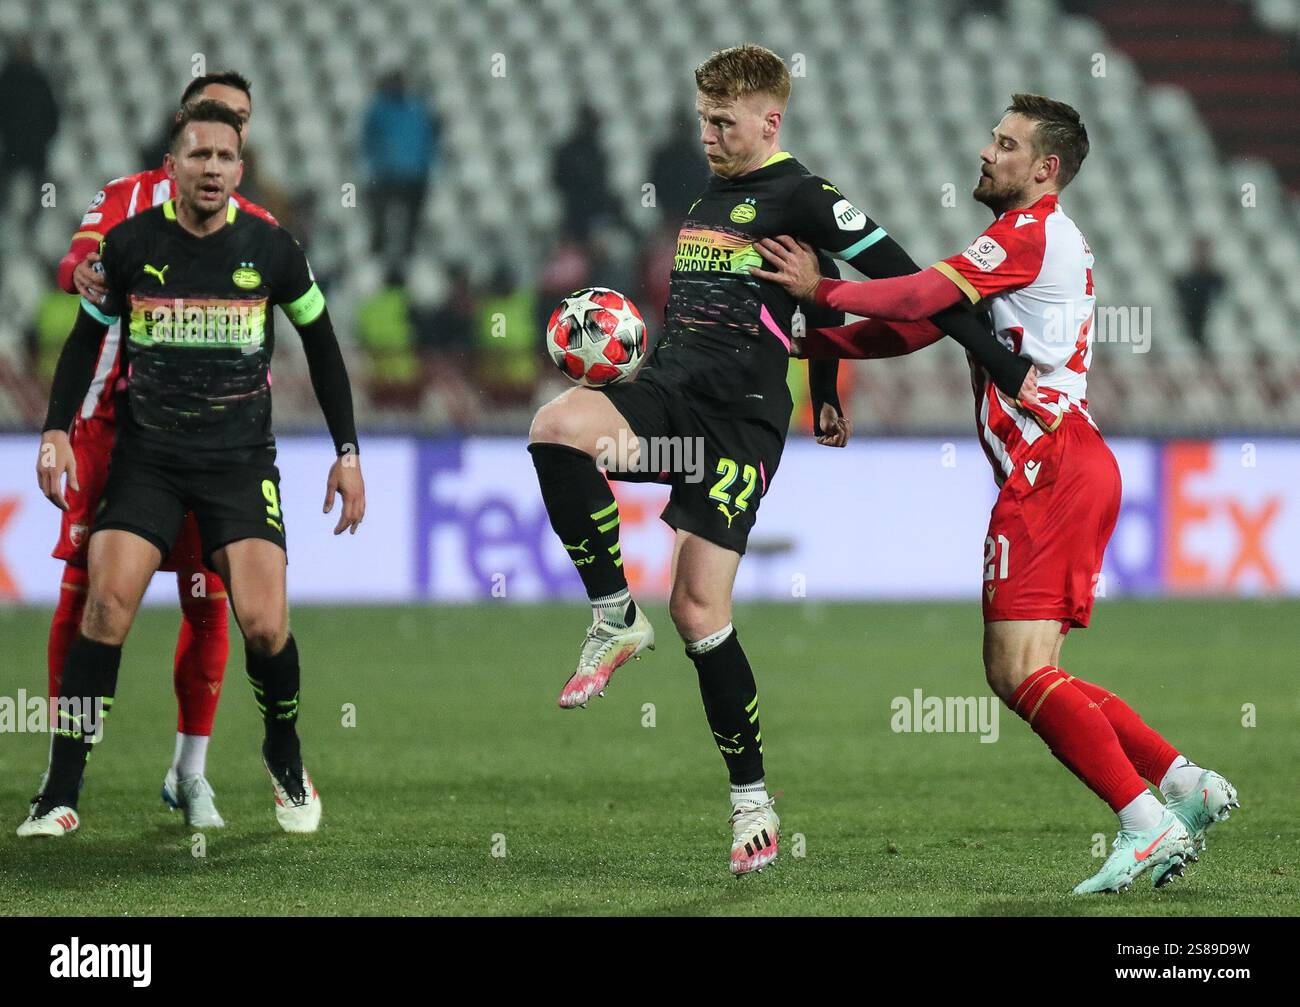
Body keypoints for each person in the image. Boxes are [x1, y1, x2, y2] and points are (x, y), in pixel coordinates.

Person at [527, 45, 1034, 875]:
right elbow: (804, 292)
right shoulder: (708, 199)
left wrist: (1000, 365)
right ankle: (615, 613)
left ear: (773, 120)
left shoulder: (804, 193)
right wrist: (827, 377)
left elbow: (908, 282)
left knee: (698, 611)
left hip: (739, 426)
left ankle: (751, 799)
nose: (710, 136)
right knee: (557, 426)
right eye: (703, 120)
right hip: (669, 395)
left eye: (724, 122)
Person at [751, 94, 1238, 894]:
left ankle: (1144, 823)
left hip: (1052, 462)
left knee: (1015, 671)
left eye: (1005, 144)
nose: (986, 152)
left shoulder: (1030, 231)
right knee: (1033, 669)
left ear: (1044, 169)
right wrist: (815, 340)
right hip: (1071, 459)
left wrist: (820, 289)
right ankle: (1183, 784)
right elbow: (920, 324)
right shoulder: (1023, 242)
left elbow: (908, 298)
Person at [21, 100, 365, 838]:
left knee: (266, 625)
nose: (211, 167)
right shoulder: (131, 244)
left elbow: (324, 346)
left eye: (224, 157)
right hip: (150, 458)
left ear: (240, 170)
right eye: (198, 154)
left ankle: (284, 753)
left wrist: (348, 453)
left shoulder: (273, 250)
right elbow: (85, 343)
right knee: (104, 607)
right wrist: (54, 430)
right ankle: (62, 791)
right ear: (172, 165)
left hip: (240, 463)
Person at [48, 71, 277, 829]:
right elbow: (76, 267)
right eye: (212, 124)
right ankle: (61, 776)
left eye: (238, 127)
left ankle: (190, 771)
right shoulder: (123, 200)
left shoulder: (255, 223)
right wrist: (81, 273)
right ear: (185, 130)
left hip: (210, 438)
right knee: (90, 593)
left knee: (209, 597)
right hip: (112, 423)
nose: (223, 141)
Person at [361, 69, 439, 271]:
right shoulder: (380, 109)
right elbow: (368, 140)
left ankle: (407, 251)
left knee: (412, 216)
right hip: (387, 173)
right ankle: (378, 247)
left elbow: (428, 138)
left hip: (414, 173)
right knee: (382, 211)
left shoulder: (416, 109)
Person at [1173, 235, 1225, 353]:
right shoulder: (1182, 281)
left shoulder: (1219, 280)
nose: (1202, 254)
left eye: (1205, 249)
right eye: (1199, 249)